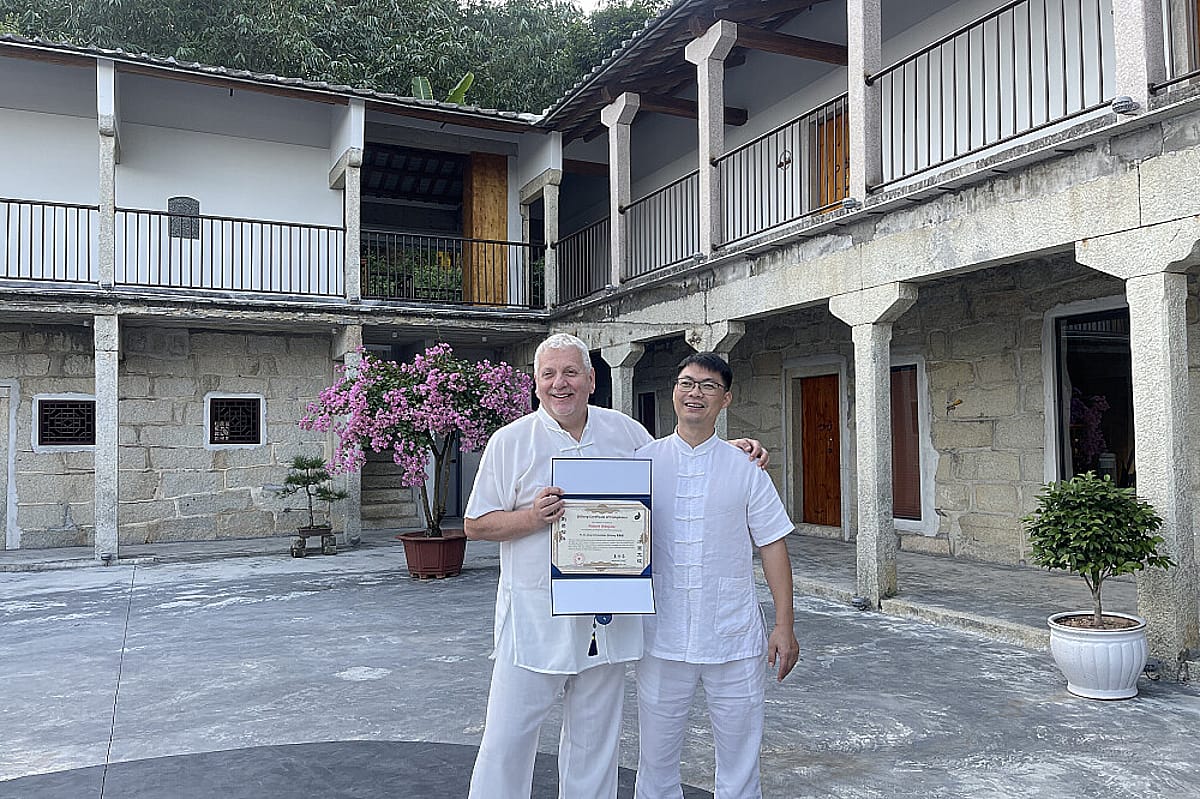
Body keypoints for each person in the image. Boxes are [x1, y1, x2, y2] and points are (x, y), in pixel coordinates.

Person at [464, 333, 767, 799]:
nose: (559, 384)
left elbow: (679, 457)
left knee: (595, 744)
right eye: (548, 374)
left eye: (570, 373)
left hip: (606, 619)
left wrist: (737, 449)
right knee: (509, 738)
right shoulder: (511, 442)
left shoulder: (625, 433)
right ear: (535, 383)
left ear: (590, 379)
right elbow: (476, 525)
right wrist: (530, 518)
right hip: (534, 620)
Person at [634, 351, 799, 799]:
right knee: (656, 761)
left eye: (708, 386)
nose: (696, 393)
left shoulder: (745, 467)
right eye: (688, 383)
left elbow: (772, 546)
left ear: (724, 400)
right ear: (674, 391)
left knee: (740, 761)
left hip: (733, 637)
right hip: (661, 636)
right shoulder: (641, 463)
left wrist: (784, 626)